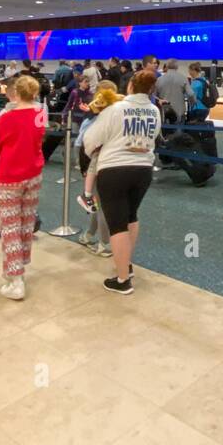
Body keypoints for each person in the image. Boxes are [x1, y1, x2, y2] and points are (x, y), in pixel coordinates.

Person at [82, 68, 162, 295]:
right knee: (131, 216)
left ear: (129, 86)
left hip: (114, 170)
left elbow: (91, 139)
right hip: (143, 170)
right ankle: (126, 263)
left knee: (116, 223)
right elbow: (153, 136)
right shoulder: (154, 111)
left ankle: (122, 279)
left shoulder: (116, 109)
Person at [0, 75, 46, 300]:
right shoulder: (40, 113)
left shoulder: (7, 118)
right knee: (26, 222)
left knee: (9, 225)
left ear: (15, 93)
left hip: (11, 175)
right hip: (34, 173)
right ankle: (21, 264)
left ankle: (16, 278)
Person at [75, 81, 122, 255]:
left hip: (100, 163)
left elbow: (85, 142)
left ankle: (96, 239)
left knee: (99, 204)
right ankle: (97, 240)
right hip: (102, 163)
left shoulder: (100, 116)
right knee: (100, 205)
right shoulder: (111, 115)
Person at [155, 58, 191, 124]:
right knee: (179, 133)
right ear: (177, 67)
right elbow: (190, 94)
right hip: (179, 112)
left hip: (164, 112)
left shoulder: (159, 80)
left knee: (165, 133)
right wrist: (193, 104)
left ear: (167, 66)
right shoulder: (183, 78)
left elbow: (154, 96)